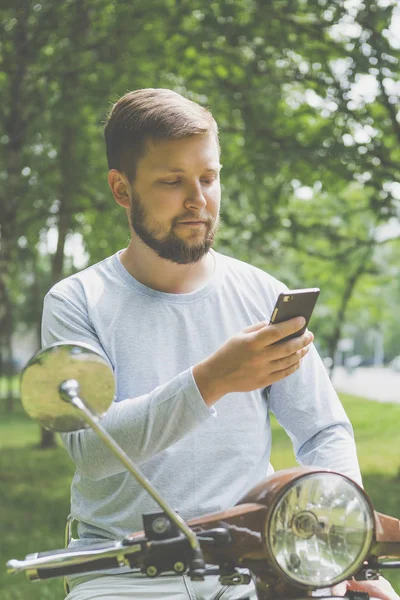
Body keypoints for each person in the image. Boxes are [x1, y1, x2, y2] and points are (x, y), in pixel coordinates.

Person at [41, 88, 398, 600]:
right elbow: (92, 450)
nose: (198, 199)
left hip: (258, 567)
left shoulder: (261, 293)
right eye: (172, 181)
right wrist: (212, 381)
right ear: (122, 190)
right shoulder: (77, 301)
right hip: (123, 572)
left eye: (209, 178)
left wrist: (346, 554)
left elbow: (324, 432)